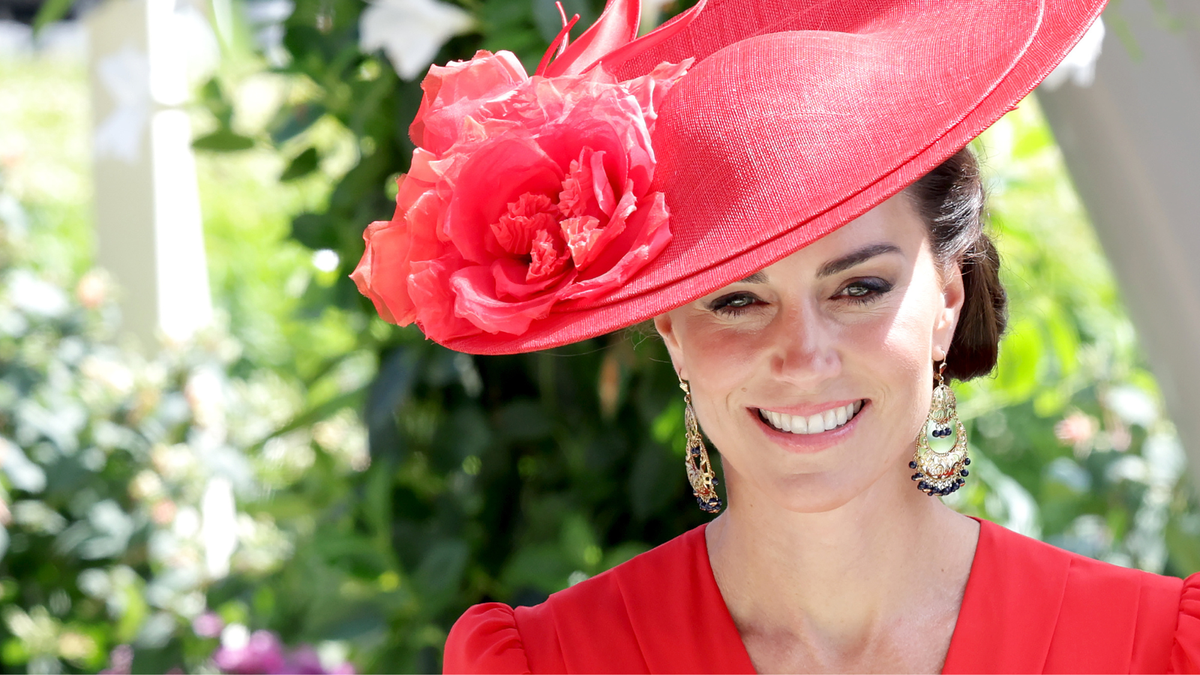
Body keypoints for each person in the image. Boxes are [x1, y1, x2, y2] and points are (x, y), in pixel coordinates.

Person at [350, 0, 1200, 671]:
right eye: (736, 302)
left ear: (946, 296)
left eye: (860, 287)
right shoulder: (549, 665)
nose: (804, 354)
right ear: (672, 332)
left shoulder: (1152, 649)